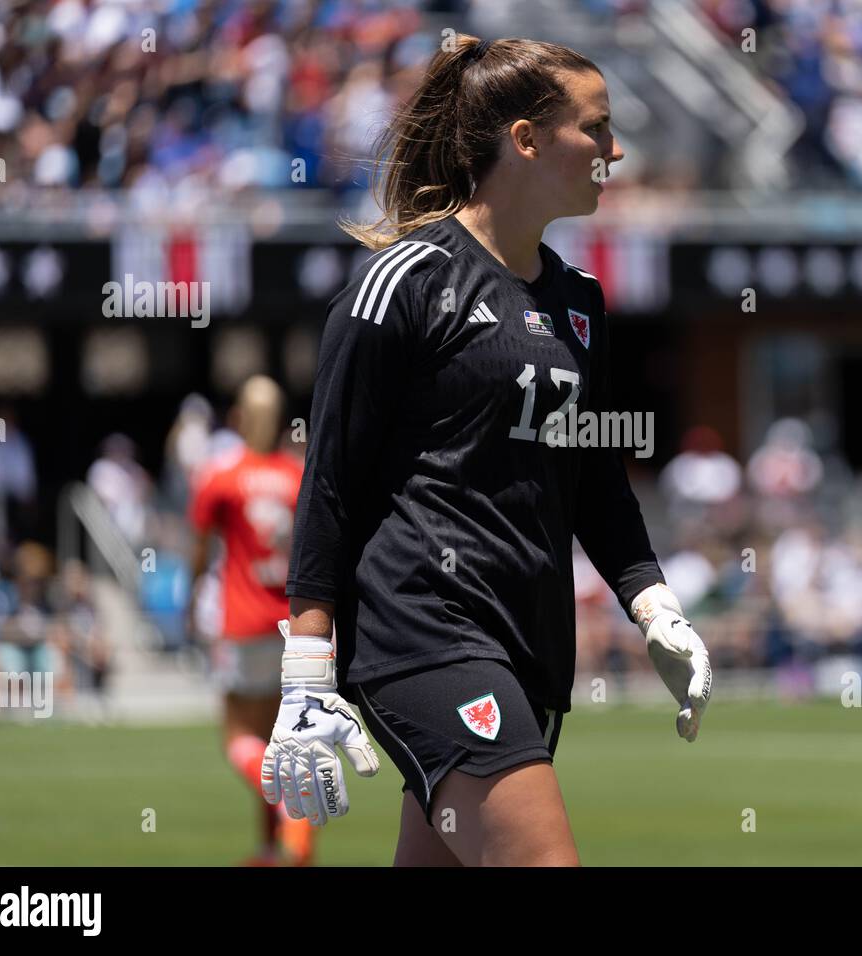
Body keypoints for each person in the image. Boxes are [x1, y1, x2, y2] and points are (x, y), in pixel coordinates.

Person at [260, 35, 712, 867]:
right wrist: (306, 667)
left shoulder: (579, 303)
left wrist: (655, 607)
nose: (615, 151)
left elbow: (594, 480)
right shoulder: (407, 278)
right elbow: (330, 478)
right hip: (423, 630)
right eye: (597, 128)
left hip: (528, 641)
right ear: (526, 139)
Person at [189, 376, 311, 865]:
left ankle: (288, 808)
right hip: (290, 625)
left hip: (242, 625)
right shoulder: (299, 475)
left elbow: (198, 550)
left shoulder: (220, 475)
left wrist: (187, 604)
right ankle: (270, 848)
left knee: (238, 738)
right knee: (275, 740)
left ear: (238, 417)